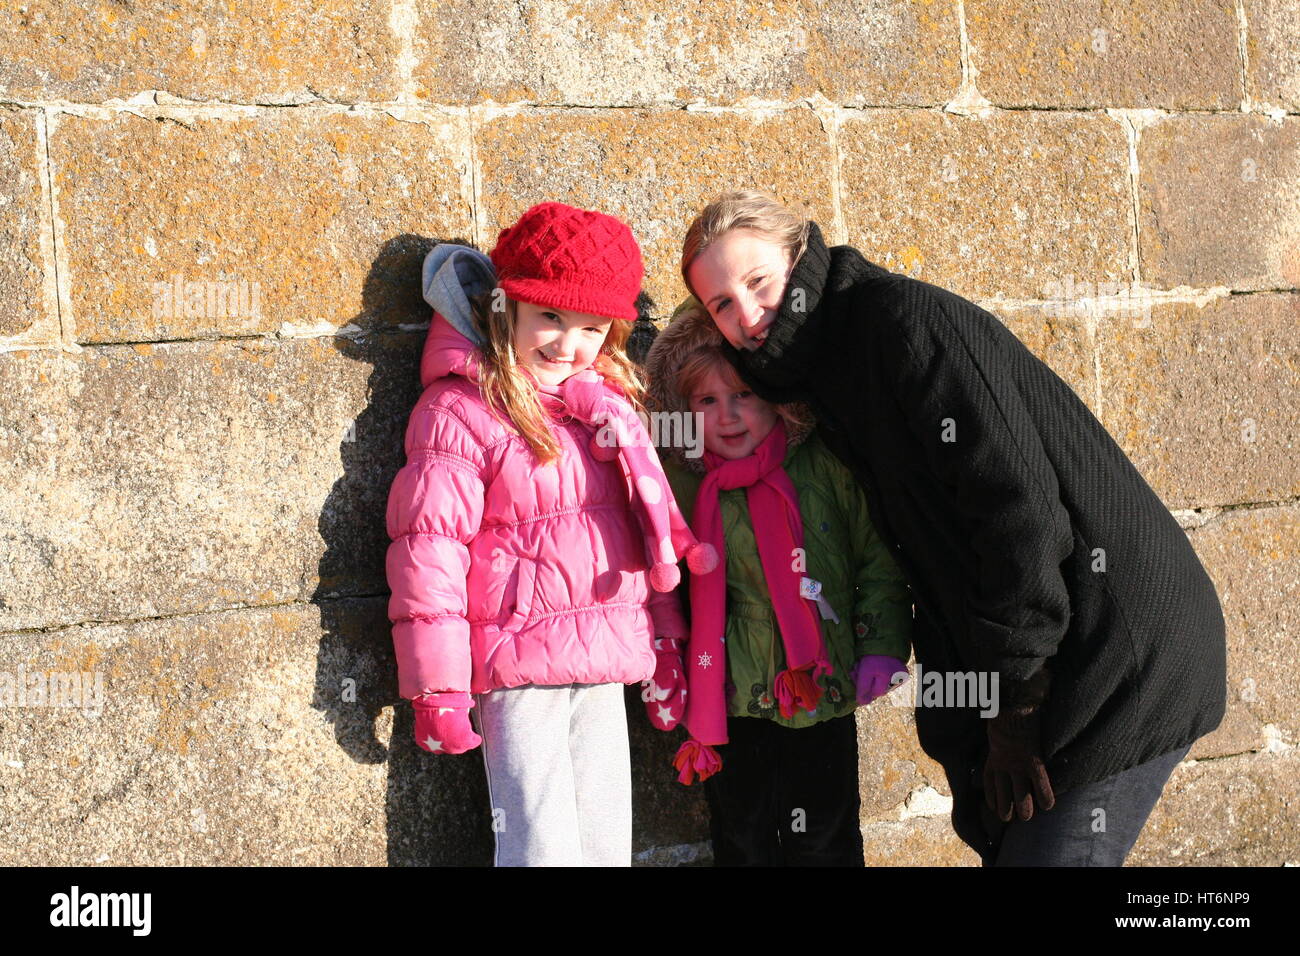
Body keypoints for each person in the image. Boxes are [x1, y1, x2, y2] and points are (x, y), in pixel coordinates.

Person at [676, 190, 1227, 866]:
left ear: (799, 257)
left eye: (759, 282)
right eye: (721, 304)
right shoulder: (821, 374)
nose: (749, 315)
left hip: (1116, 646)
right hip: (1042, 660)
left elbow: (1016, 515)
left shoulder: (900, 325)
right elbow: (927, 552)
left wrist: (1016, 706)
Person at [384, 201, 711, 866]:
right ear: (507, 310)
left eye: (591, 327)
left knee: (606, 845)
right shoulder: (461, 410)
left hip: (604, 660)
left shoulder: (605, 411)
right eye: (550, 319)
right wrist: (437, 685)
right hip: (519, 668)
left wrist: (666, 644)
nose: (568, 345)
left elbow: (638, 536)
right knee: (541, 847)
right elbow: (428, 549)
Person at [640, 302, 913, 866]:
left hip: (820, 690)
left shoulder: (823, 467)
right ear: (682, 411)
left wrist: (882, 645)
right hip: (730, 696)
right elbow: (659, 583)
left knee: (825, 839)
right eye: (707, 401)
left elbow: (876, 562)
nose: (729, 416)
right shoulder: (682, 488)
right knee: (743, 840)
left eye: (744, 395)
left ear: (777, 396)